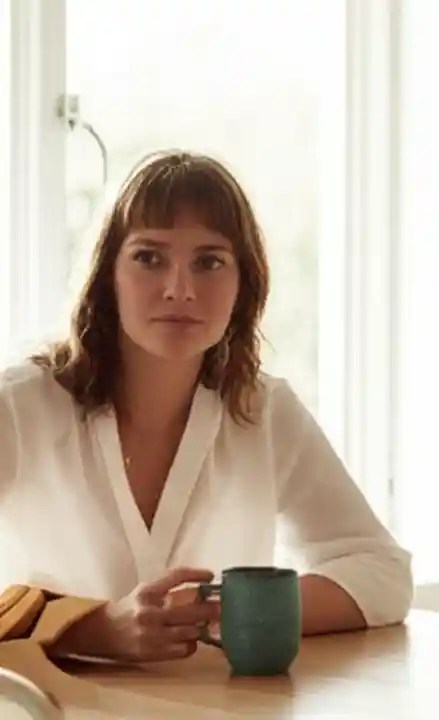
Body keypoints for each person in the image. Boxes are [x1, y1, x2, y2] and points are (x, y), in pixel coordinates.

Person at [0, 150, 413, 663]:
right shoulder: (18, 408)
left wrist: (232, 610)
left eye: (209, 262)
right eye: (149, 257)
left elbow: (382, 571)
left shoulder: (264, 411)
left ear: (244, 285)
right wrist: (90, 629)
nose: (180, 290)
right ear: (108, 275)